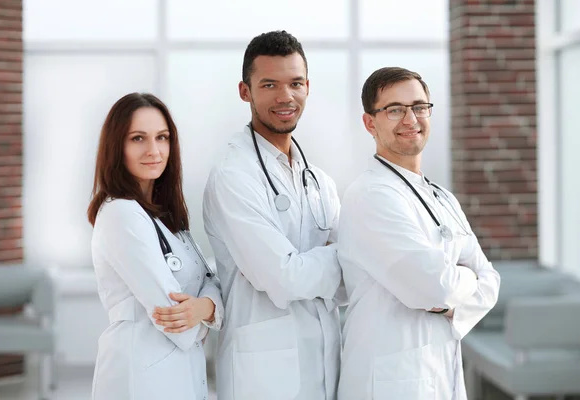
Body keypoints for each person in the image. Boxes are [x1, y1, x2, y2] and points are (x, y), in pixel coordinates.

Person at [337, 67, 501, 400]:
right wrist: (465, 281)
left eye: (419, 107)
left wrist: (452, 295)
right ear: (370, 122)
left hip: (438, 373)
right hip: (389, 381)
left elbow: (492, 280)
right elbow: (435, 286)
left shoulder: (443, 197)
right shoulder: (372, 195)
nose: (410, 118)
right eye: (394, 109)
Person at [203, 30, 343, 400]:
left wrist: (316, 265)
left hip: (325, 366)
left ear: (308, 87)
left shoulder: (319, 180)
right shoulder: (233, 176)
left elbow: (354, 278)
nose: (285, 96)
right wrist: (341, 256)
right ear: (245, 91)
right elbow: (282, 279)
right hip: (263, 376)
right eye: (269, 84)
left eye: (295, 83)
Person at [87, 92, 223, 400]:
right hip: (140, 378)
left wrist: (205, 307)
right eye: (138, 138)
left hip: (180, 376)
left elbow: (212, 280)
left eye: (162, 138)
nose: (154, 150)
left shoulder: (165, 215)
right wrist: (208, 315)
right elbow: (178, 324)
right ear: (116, 147)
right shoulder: (121, 213)